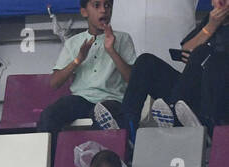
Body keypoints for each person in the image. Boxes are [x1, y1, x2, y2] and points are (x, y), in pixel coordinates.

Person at [98, 0, 229, 136]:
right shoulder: (211, 20)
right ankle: (127, 125)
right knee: (145, 62)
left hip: (218, 99)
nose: (218, 3)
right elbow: (186, 49)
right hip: (191, 97)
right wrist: (212, 26)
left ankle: (176, 116)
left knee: (206, 53)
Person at [39, 0, 135, 134]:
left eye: (107, 5)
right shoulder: (73, 42)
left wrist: (111, 50)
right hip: (81, 99)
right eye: (97, 5)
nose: (103, 10)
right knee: (48, 116)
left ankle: (99, 154)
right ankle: (53, 155)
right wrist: (78, 60)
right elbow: (54, 83)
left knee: (103, 115)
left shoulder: (123, 38)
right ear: (84, 12)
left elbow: (132, 80)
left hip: (111, 99)